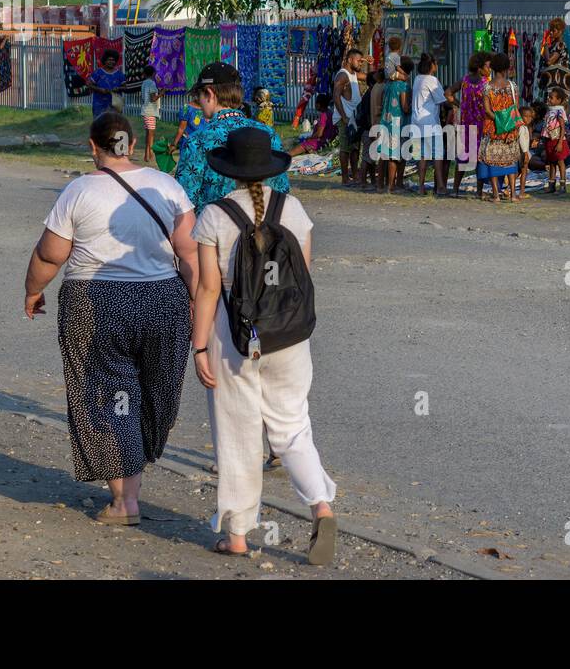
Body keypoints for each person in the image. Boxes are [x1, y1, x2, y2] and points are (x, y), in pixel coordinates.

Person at [25, 111, 198, 524]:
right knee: (155, 387)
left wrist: (33, 290)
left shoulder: (78, 191)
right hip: (163, 299)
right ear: (133, 144)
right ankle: (134, 475)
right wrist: (196, 300)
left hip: (95, 301)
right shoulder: (167, 185)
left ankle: (124, 501)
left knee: (106, 393)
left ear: (92, 147)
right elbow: (190, 251)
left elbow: (51, 254)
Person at [189, 127, 337, 562]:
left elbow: (208, 290)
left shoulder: (214, 216)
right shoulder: (293, 210)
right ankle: (320, 505)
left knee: (237, 432)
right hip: (288, 336)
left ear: (229, 171)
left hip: (234, 337)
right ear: (269, 169)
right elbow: (301, 277)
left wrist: (199, 348)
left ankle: (237, 534)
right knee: (291, 426)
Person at [176, 63, 288, 213]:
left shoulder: (198, 141)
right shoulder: (268, 134)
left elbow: (184, 203)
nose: (199, 102)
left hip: (213, 232)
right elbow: (282, 189)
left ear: (209, 94)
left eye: (199, 96)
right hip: (264, 229)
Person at [478, 53, 520, 202]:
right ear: (507, 68)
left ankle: (496, 195)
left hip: (493, 128)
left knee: (492, 162)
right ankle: (513, 195)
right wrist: (507, 124)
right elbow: (516, 108)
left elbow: (487, 110)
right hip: (510, 129)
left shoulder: (487, 87)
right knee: (511, 161)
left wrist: (498, 120)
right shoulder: (513, 86)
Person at [411, 53, 446, 197]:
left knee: (422, 157)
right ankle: (441, 187)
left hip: (416, 122)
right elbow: (442, 99)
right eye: (436, 64)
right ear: (432, 66)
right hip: (430, 122)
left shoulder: (417, 79)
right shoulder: (432, 80)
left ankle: (420, 187)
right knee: (437, 155)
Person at [458, 52, 492, 198]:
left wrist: (459, 106)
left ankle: (454, 189)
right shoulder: (486, 83)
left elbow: (448, 93)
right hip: (480, 125)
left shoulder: (464, 80)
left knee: (463, 157)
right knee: (479, 159)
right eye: (488, 66)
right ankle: (478, 192)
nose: (490, 69)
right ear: (480, 68)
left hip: (466, 124)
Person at [377, 56, 412, 194]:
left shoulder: (388, 84)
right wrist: (409, 108)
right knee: (397, 155)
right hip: (399, 122)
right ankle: (394, 184)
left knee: (386, 154)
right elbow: (404, 106)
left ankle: (382, 184)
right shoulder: (403, 85)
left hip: (386, 121)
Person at [331, 48, 364, 187]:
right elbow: (336, 96)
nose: (360, 64)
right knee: (345, 149)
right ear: (350, 60)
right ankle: (345, 178)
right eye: (358, 61)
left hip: (353, 118)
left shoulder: (354, 74)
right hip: (345, 119)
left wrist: (369, 62)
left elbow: (370, 77)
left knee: (355, 149)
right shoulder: (342, 75)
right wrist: (344, 116)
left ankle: (355, 175)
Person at [541, 87, 570, 195]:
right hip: (549, 140)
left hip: (558, 140)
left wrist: (559, 143)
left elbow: (563, 128)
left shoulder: (559, 111)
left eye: (551, 98)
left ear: (559, 100)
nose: (549, 99)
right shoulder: (550, 110)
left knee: (560, 162)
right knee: (551, 162)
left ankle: (563, 186)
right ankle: (551, 185)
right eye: (549, 97)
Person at [538, 17, 570, 99]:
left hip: (559, 84)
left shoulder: (560, 45)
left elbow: (549, 62)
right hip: (552, 82)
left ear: (560, 31)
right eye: (550, 30)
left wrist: (545, 45)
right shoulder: (553, 44)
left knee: (557, 107)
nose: (550, 33)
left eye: (553, 31)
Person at [89, 49, 124, 118]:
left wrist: (119, 88)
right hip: (99, 105)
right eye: (109, 60)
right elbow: (89, 85)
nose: (111, 62)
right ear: (105, 61)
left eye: (113, 60)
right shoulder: (98, 73)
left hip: (115, 105)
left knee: (115, 125)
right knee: (100, 125)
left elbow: (125, 87)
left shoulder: (120, 74)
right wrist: (99, 89)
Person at [171, 85, 206, 154]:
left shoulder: (208, 109)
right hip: (188, 144)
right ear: (195, 95)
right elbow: (181, 128)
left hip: (204, 144)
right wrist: (174, 144)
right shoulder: (186, 108)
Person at [139, 77, 162, 164]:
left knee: (148, 134)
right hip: (151, 111)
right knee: (151, 135)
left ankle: (146, 154)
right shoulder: (152, 83)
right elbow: (153, 98)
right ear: (153, 74)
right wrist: (161, 94)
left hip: (145, 111)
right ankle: (150, 153)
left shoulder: (144, 82)